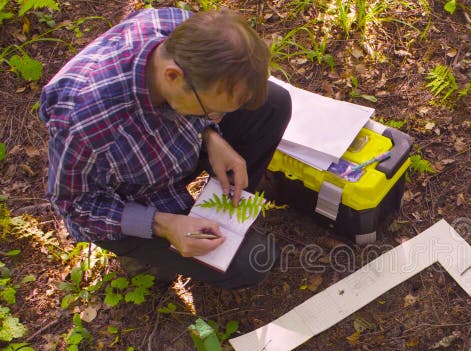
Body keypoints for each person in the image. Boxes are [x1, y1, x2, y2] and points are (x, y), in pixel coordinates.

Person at [39, 7, 291, 289]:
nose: (217, 118)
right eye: (211, 110)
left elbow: (209, 110)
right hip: (135, 194)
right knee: (252, 262)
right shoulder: (85, 119)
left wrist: (210, 135)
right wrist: (163, 225)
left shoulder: (179, 27)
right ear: (173, 76)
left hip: (169, 150)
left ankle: (227, 210)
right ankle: (148, 257)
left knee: (274, 104)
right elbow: (73, 204)